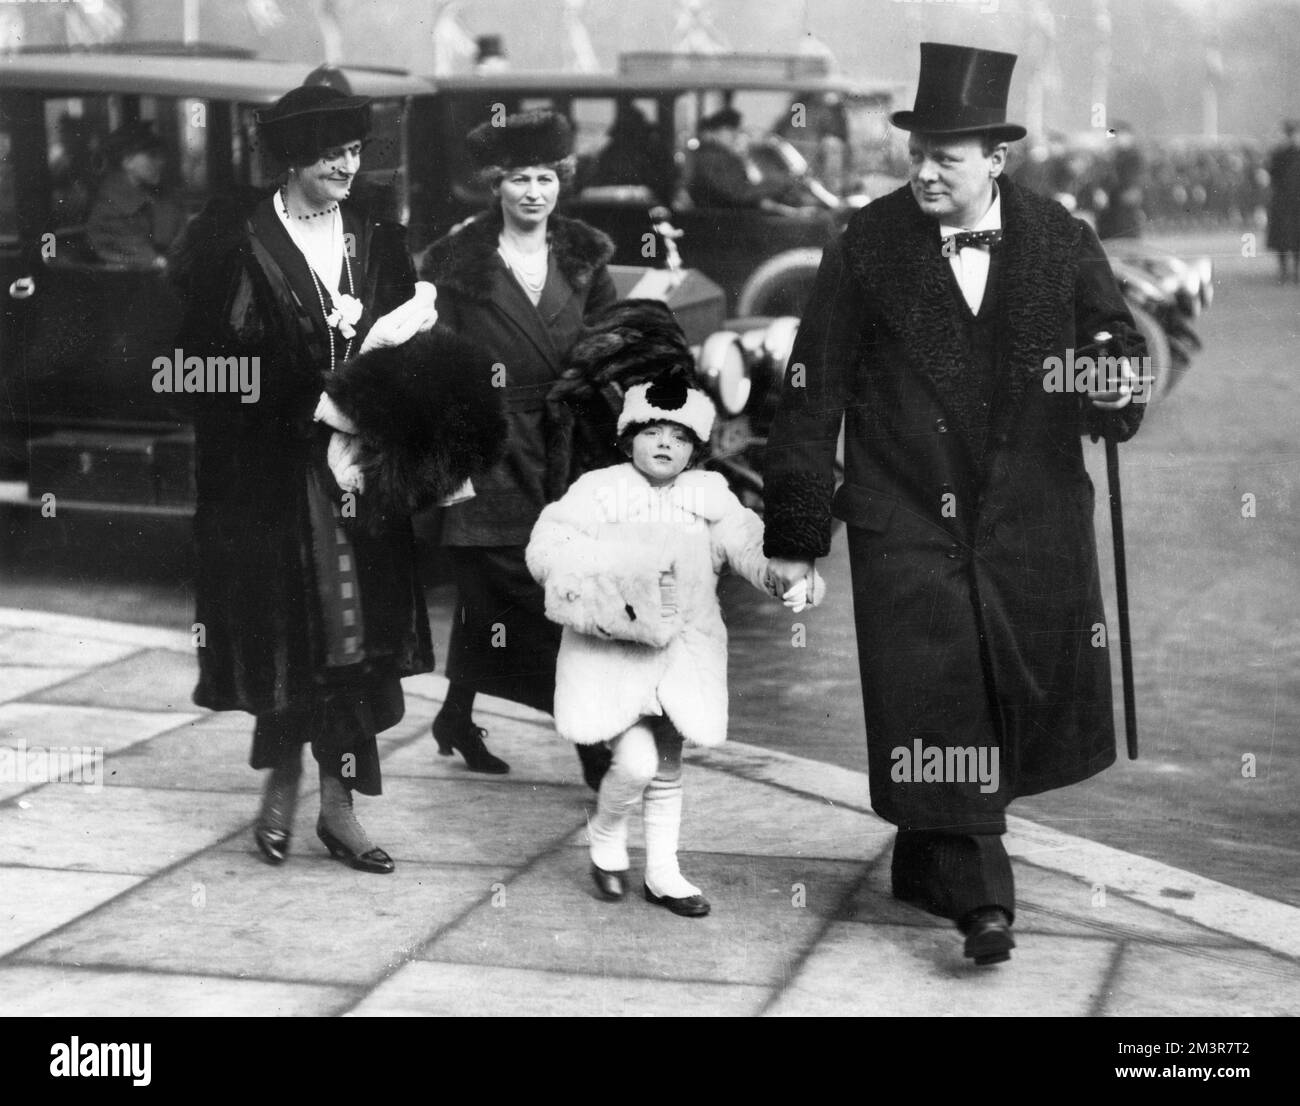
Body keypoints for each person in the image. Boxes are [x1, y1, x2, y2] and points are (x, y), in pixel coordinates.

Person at [762, 42, 1146, 966]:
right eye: (919, 153)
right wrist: (798, 537)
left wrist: (1105, 378)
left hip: (1029, 518)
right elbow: (812, 390)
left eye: (949, 156)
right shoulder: (865, 242)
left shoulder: (1060, 238)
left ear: (996, 160)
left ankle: (927, 852)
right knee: (938, 695)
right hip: (905, 517)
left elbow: (1113, 342)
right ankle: (983, 900)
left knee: (995, 696)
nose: (928, 172)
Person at [168, 83, 467, 875]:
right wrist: (305, 401)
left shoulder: (377, 237)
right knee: (285, 636)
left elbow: (418, 357)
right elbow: (190, 368)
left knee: (356, 641)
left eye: (355, 150)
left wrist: (385, 403)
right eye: (331, 152)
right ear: (294, 156)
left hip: (359, 475)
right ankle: (281, 787)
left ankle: (340, 810)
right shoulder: (233, 240)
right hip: (268, 480)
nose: (346, 165)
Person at [526, 361, 820, 917]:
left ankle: (664, 872)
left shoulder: (710, 495)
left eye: (680, 436)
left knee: (667, 767)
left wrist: (784, 572)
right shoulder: (599, 490)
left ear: (696, 447)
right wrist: (599, 575)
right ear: (629, 439)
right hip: (612, 652)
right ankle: (607, 836)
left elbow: (748, 542)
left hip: (684, 652)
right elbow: (549, 545)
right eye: (652, 432)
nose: (665, 444)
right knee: (635, 762)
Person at [418, 109, 618, 784]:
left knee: (497, 600)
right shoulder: (456, 264)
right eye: (517, 179)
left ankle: (455, 713)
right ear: (494, 186)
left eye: (545, 177)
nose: (533, 192)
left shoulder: (586, 256)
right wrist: (447, 469)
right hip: (487, 447)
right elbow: (436, 367)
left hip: (568, 449)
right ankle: (591, 743)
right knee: (530, 593)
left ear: (562, 180)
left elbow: (611, 345)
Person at [87, 121, 184, 268]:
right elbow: (147, 260)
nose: (161, 162)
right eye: (152, 155)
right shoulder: (108, 210)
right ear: (127, 161)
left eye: (160, 155)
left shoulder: (161, 198)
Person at [688, 108, 800, 214]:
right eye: (728, 129)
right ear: (712, 132)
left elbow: (744, 195)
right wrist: (780, 183)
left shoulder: (717, 156)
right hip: (723, 224)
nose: (735, 134)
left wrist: (783, 209)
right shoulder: (713, 158)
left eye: (735, 129)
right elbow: (739, 193)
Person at [1096, 120, 1146, 241]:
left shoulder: (1134, 155)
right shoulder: (1113, 154)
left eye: (1122, 136)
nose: (1119, 139)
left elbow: (1131, 179)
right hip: (1112, 200)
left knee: (1125, 232)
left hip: (1124, 198)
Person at [1267, 120, 1300, 283]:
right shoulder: (1279, 153)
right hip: (1285, 202)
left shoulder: (1282, 153)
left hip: (1292, 202)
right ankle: (1285, 272)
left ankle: (1292, 273)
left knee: (1293, 239)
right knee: (1284, 239)